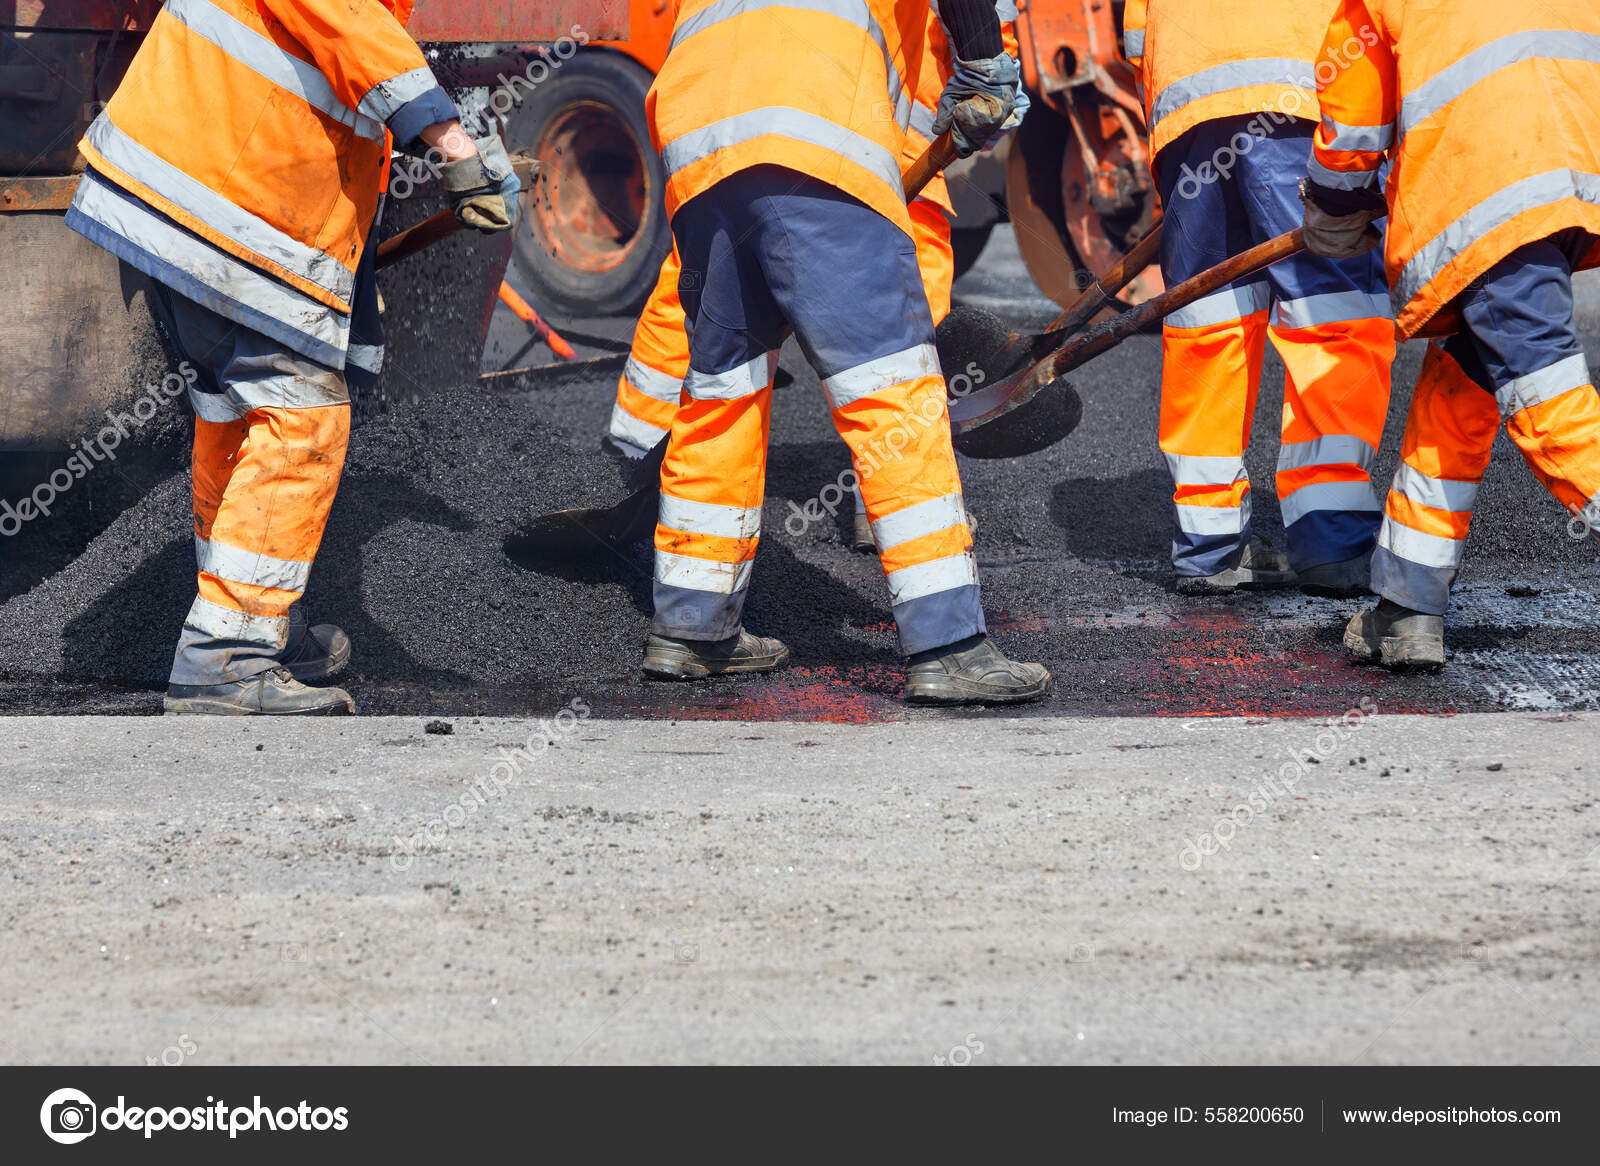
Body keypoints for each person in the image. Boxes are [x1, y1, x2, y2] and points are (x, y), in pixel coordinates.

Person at [65, 0, 519, 714]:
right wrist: (455, 144)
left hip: (181, 191)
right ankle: (227, 658)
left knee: (233, 410)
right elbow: (348, 24)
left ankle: (252, 627)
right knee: (302, 411)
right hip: (223, 198)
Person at [637, 0, 1050, 704]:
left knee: (721, 393)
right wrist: (985, 66)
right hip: (815, 130)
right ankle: (949, 645)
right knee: (893, 390)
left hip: (696, 145)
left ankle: (691, 629)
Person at [605, 4, 1021, 553]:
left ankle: (637, 448)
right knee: (896, 338)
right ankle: (897, 511)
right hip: (870, 115)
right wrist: (994, 67)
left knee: (707, 288)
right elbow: (982, 20)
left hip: (726, 113)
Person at [1302, 0, 1600, 670]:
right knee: (1459, 388)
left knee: (1547, 399)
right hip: (1566, 188)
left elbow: (1353, 122)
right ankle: (1406, 607)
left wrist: (1332, 204)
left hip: (1487, 193)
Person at [1123, 0, 1396, 595]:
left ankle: (1208, 545)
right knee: (1334, 312)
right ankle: (1332, 537)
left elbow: (1134, 36)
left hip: (1188, 102)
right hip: (1304, 85)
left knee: (1209, 321)